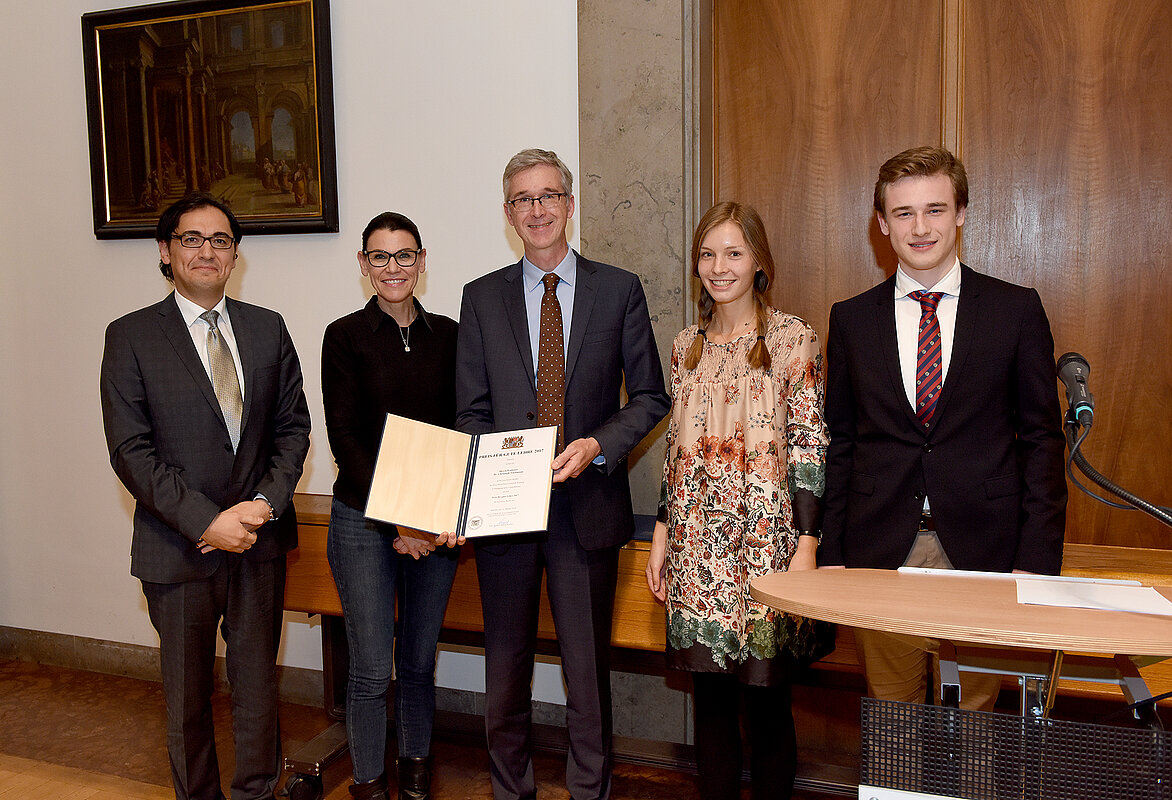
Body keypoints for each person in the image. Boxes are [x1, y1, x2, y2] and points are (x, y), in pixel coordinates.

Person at [451, 148, 670, 800]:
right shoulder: (481, 298)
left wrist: (599, 444)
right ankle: (509, 791)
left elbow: (652, 397)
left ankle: (588, 792)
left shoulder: (619, 289)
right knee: (506, 672)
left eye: (549, 196)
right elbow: (469, 411)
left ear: (570, 206)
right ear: (509, 214)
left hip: (587, 511)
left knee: (585, 674)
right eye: (523, 199)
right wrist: (503, 464)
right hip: (506, 516)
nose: (538, 209)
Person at [818, 146, 1067, 710]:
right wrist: (833, 556)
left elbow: (1042, 442)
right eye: (903, 213)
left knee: (977, 730)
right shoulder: (851, 319)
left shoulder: (1016, 310)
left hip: (987, 554)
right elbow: (843, 443)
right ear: (881, 224)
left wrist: (1036, 561)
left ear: (960, 214)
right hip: (881, 552)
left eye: (935, 209)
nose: (920, 227)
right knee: (892, 726)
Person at [100, 192, 311, 800]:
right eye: (191, 239)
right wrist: (206, 521)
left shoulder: (267, 328)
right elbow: (130, 451)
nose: (206, 251)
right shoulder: (131, 336)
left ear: (235, 255)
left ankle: (255, 792)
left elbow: (293, 428)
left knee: (257, 692)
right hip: (178, 548)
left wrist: (264, 505)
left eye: (220, 240)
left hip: (258, 542)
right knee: (188, 699)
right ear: (165, 252)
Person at [645, 202, 833, 800]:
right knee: (712, 707)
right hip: (697, 554)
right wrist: (661, 537)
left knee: (768, 705)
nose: (719, 267)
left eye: (734, 253)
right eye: (708, 254)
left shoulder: (792, 339)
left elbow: (810, 447)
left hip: (768, 554)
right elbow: (677, 452)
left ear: (759, 261)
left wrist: (807, 547)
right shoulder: (685, 347)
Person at [321, 212, 459, 800]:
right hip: (363, 521)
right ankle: (370, 782)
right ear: (363, 265)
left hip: (433, 524)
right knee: (373, 668)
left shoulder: (451, 335)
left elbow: (461, 428)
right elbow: (344, 438)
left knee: (421, 662)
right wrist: (398, 514)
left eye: (405, 255)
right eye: (380, 256)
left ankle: (417, 771)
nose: (393, 267)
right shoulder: (344, 336)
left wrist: (430, 516)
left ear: (423, 261)